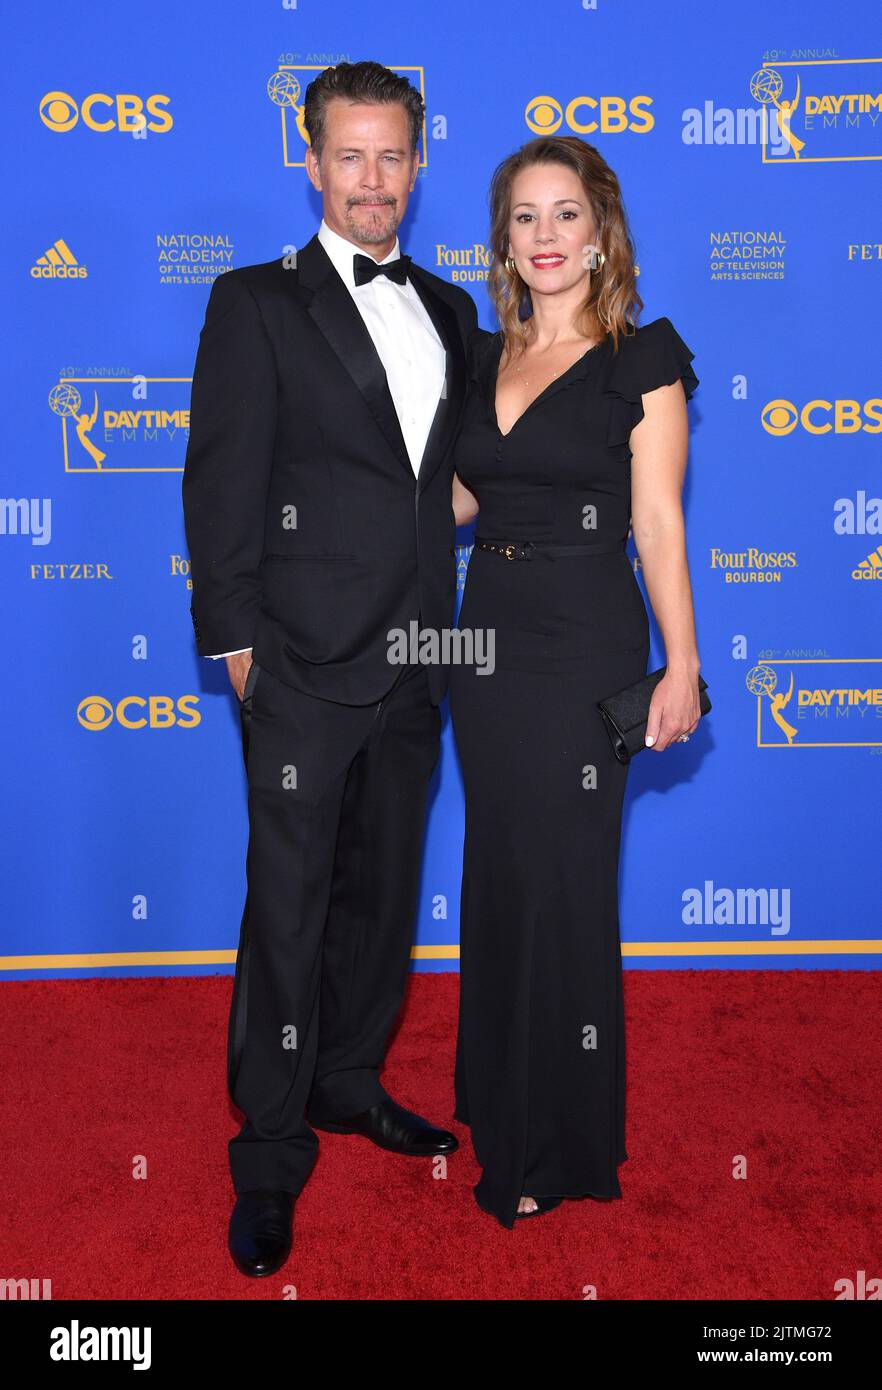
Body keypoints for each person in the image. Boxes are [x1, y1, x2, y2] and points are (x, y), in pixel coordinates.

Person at [182, 61, 477, 1276]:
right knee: (289, 910)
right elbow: (220, 484)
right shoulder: (255, 302)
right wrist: (242, 652)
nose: (372, 180)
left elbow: (454, 477)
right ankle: (269, 1153)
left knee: (383, 894)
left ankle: (350, 1081)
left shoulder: (454, 308)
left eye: (391, 156)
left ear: (417, 160)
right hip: (300, 665)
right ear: (310, 161)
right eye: (348, 156)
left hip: (419, 658)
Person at [448, 135, 703, 1228]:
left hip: (582, 642)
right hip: (485, 647)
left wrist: (681, 664)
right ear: (502, 240)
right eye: (524, 218)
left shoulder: (640, 358)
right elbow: (458, 505)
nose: (544, 236)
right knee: (502, 876)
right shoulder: (485, 356)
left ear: (601, 234)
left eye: (565, 215)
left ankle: (556, 1142)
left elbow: (656, 521)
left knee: (562, 889)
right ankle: (499, 1103)